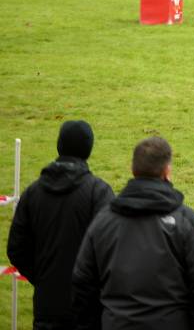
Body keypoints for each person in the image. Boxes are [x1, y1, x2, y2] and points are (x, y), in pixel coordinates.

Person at [71, 135, 194, 330]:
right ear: (167, 171)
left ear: (133, 170)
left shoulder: (103, 222)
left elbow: (82, 285)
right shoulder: (185, 221)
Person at [5, 120, 113, 330]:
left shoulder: (32, 193)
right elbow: (112, 248)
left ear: (59, 145)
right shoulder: (98, 193)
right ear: (88, 149)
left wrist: (44, 277)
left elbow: (17, 249)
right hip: (88, 310)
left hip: (47, 306)